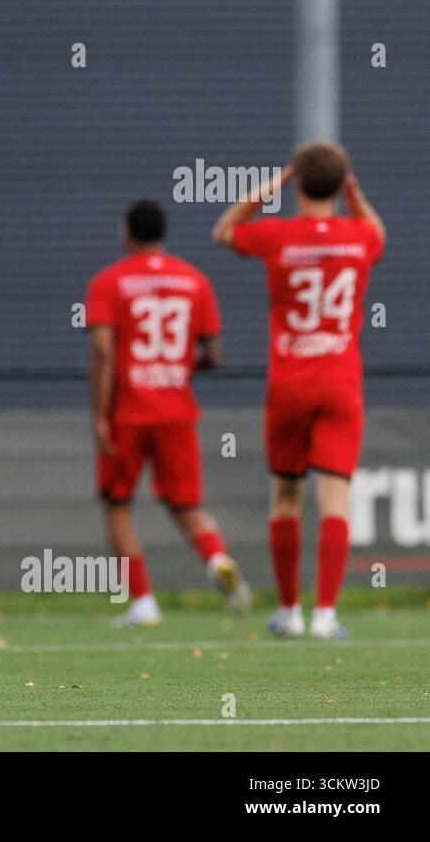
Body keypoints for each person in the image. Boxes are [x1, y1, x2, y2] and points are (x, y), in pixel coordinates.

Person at [212, 144, 385, 639]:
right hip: (339, 382)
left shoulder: (279, 236)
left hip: (289, 383)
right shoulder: (358, 236)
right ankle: (325, 616)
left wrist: (263, 192)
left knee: (286, 498)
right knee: (335, 500)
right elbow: (379, 232)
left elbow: (222, 232)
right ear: (341, 184)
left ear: (297, 183)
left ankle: (289, 612)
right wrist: (354, 195)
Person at [86, 200, 249, 627]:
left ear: (127, 233)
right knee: (186, 504)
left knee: (117, 505)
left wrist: (100, 415)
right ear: (162, 233)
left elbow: (103, 351)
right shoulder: (193, 280)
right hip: (176, 409)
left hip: (128, 412)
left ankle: (143, 602)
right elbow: (212, 350)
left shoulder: (109, 282)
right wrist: (180, 370)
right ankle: (216, 561)